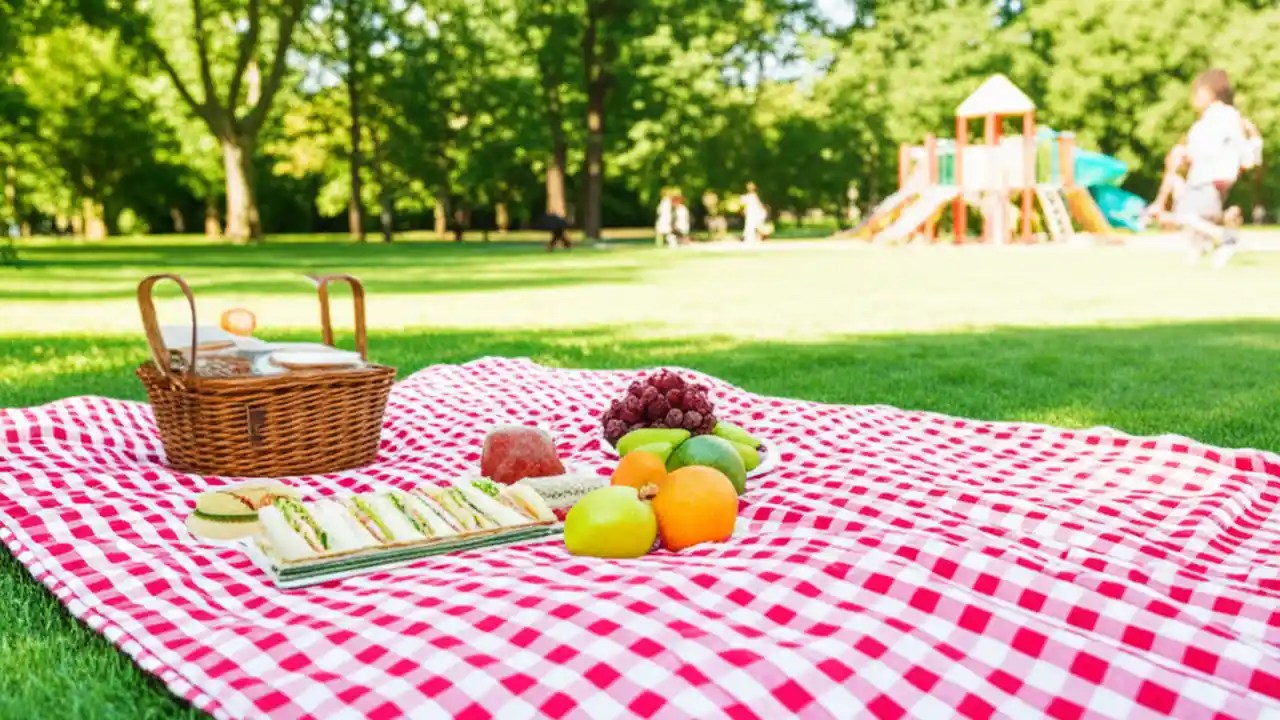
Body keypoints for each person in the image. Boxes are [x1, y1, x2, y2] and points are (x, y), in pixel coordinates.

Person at [1159, 69, 1258, 267]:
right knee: (1200, 221)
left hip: (1211, 174)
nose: (1193, 99)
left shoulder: (1219, 116)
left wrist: (1186, 155)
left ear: (1210, 92)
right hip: (1216, 174)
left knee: (1185, 215)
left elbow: (1213, 147)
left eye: (1198, 92)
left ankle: (1225, 238)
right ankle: (1198, 259)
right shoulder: (1221, 116)